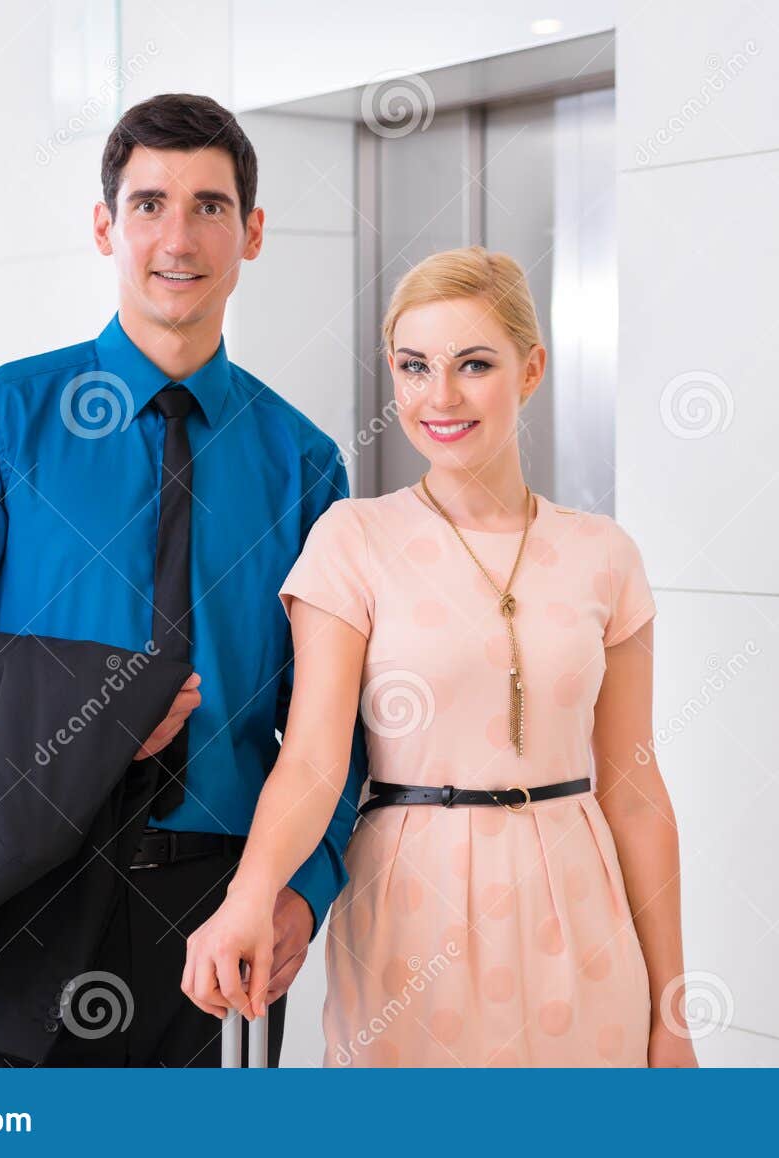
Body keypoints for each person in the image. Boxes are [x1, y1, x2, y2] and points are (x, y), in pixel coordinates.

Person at [0, 92, 367, 1066]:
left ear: (252, 232)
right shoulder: (3, 418)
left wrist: (305, 884)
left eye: (211, 206)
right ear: (105, 225)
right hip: (25, 884)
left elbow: (327, 717)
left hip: (211, 905)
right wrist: (96, 704)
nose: (178, 237)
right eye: (148, 204)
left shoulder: (302, 462)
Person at [182, 247, 697, 1067]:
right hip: (410, 918)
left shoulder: (605, 554)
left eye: (474, 365)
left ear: (531, 370)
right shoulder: (353, 539)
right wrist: (248, 898)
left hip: (581, 917)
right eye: (415, 367)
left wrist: (673, 1012)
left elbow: (634, 792)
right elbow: (315, 761)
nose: (441, 397)